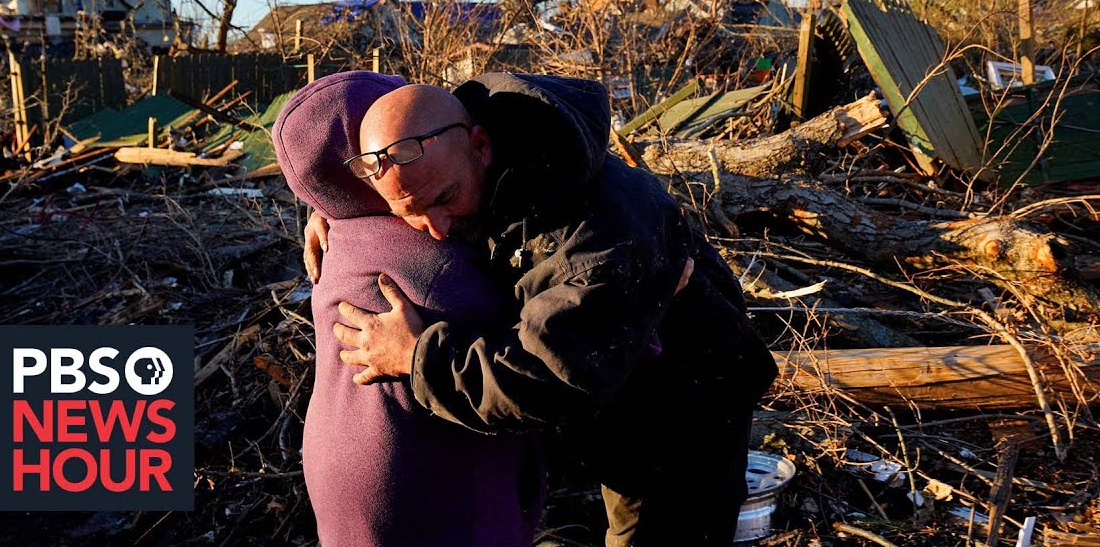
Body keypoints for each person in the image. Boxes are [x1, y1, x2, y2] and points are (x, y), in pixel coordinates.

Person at [307, 73, 777, 546]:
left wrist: (415, 357)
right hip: (618, 389)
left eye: (445, 199)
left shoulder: (596, 240)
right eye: (406, 211)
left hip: (681, 418)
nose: (435, 229)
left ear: (481, 145)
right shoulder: (475, 144)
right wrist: (331, 210)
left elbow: (547, 379)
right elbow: (406, 156)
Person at [272, 71, 542, 547]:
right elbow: (547, 365)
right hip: (425, 492)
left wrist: (324, 209)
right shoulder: (444, 265)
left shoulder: (339, 238)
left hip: (339, 471)